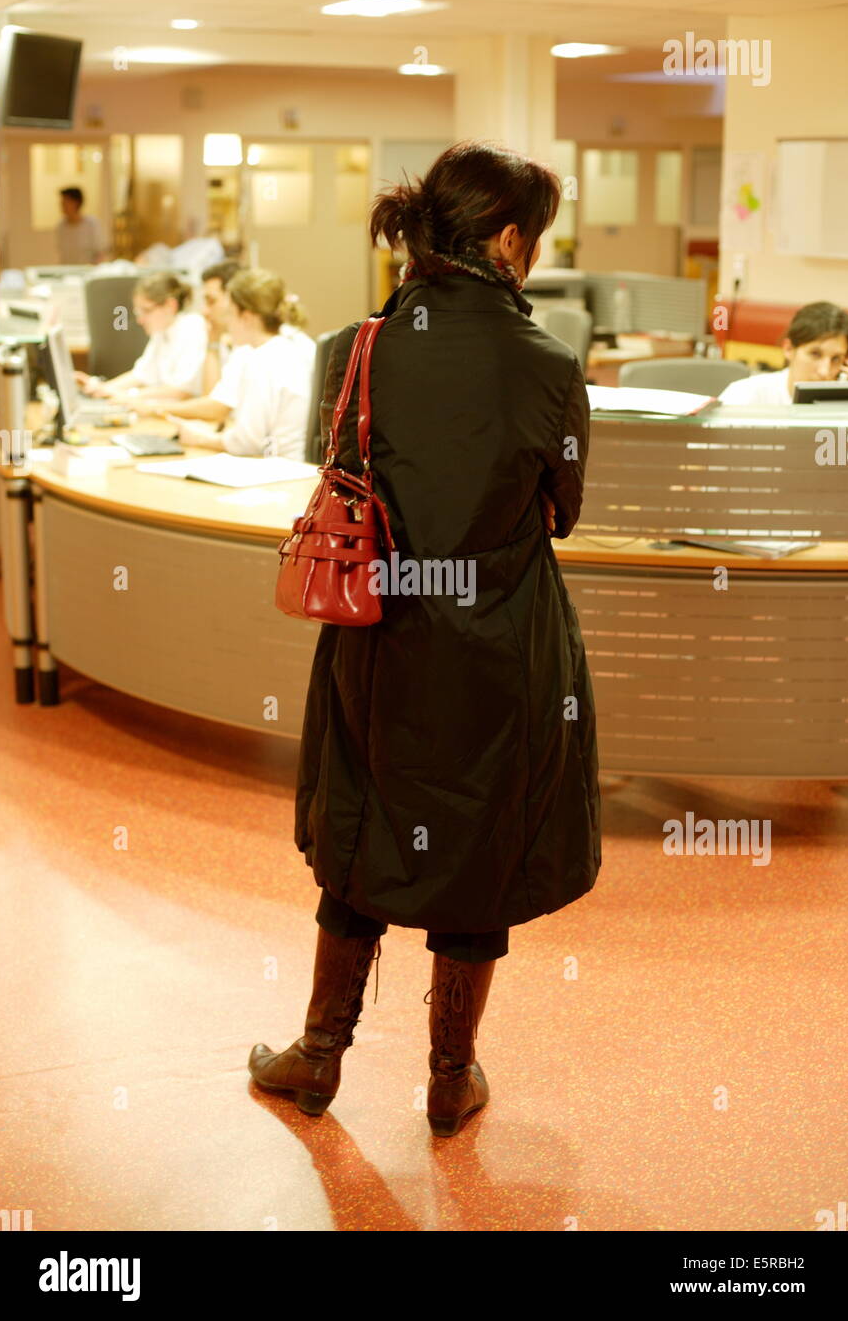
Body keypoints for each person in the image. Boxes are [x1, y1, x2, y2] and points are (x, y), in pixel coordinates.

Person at [248, 141, 602, 1136]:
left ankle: (317, 1056)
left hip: (381, 627)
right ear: (504, 241)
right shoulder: (546, 363)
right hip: (502, 642)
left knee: (363, 824)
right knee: (480, 839)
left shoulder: (357, 347)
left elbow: (351, 480)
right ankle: (451, 1077)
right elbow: (560, 510)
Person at [163, 268, 315, 458]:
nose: (227, 323)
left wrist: (199, 437)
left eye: (230, 314)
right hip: (302, 464)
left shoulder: (261, 359)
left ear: (247, 317)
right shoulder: (299, 345)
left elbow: (247, 443)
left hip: (280, 468)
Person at [76, 272, 208, 402]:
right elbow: (141, 375)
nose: (140, 320)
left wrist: (129, 395)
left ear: (170, 305)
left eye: (146, 311)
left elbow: (182, 391)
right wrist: (100, 388)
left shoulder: (193, 328)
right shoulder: (162, 332)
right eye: (138, 312)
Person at [717, 302, 848, 405]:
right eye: (815, 354)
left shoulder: (844, 405)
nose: (825, 372)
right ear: (789, 349)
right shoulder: (746, 394)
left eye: (836, 359)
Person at [200, 259, 242, 396]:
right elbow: (211, 396)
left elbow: (215, 407)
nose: (204, 311)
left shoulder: (252, 346)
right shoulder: (229, 341)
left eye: (211, 301)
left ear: (233, 298)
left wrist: (156, 409)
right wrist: (213, 341)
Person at [55, 187, 108, 265]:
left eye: (65, 202)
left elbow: (101, 252)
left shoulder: (92, 224)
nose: (62, 205)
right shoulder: (61, 226)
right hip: (68, 271)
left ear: (76, 203)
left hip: (88, 271)